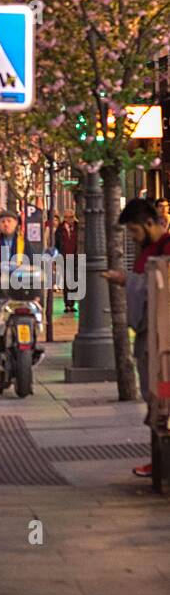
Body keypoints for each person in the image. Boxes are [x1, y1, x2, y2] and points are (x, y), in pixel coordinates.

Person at [103, 198, 170, 479]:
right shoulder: (150, 250)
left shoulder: (164, 250)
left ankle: (162, 463)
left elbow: (155, 287)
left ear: (150, 223)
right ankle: (159, 461)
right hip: (149, 336)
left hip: (161, 339)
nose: (132, 237)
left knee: (162, 396)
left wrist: (125, 280)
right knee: (156, 399)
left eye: (134, 231)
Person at [0, 210, 35, 349]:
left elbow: (33, 263)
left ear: (16, 223)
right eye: (3, 221)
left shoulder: (24, 243)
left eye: (9, 221)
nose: (6, 224)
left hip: (20, 285)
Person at [55, 208, 79, 310]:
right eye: (67, 217)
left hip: (76, 257)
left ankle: (72, 303)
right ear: (64, 218)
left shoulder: (78, 228)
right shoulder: (60, 230)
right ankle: (67, 304)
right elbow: (56, 244)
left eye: (71, 217)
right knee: (66, 281)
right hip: (64, 257)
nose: (70, 219)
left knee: (74, 280)